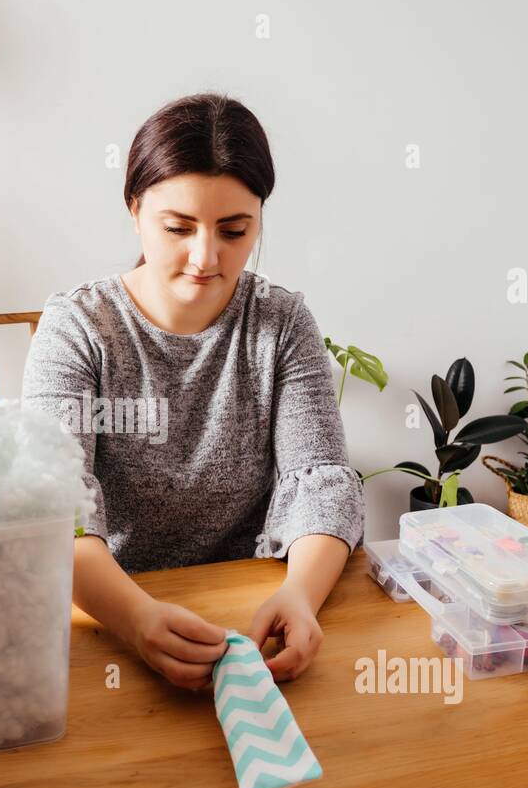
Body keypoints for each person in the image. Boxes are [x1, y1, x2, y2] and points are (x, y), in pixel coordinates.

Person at [22, 92, 364, 691]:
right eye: (178, 228)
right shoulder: (78, 328)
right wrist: (135, 619)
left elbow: (323, 480)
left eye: (235, 230)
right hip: (109, 610)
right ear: (135, 210)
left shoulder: (281, 323)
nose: (206, 258)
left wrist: (300, 595)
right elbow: (55, 504)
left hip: (253, 610)